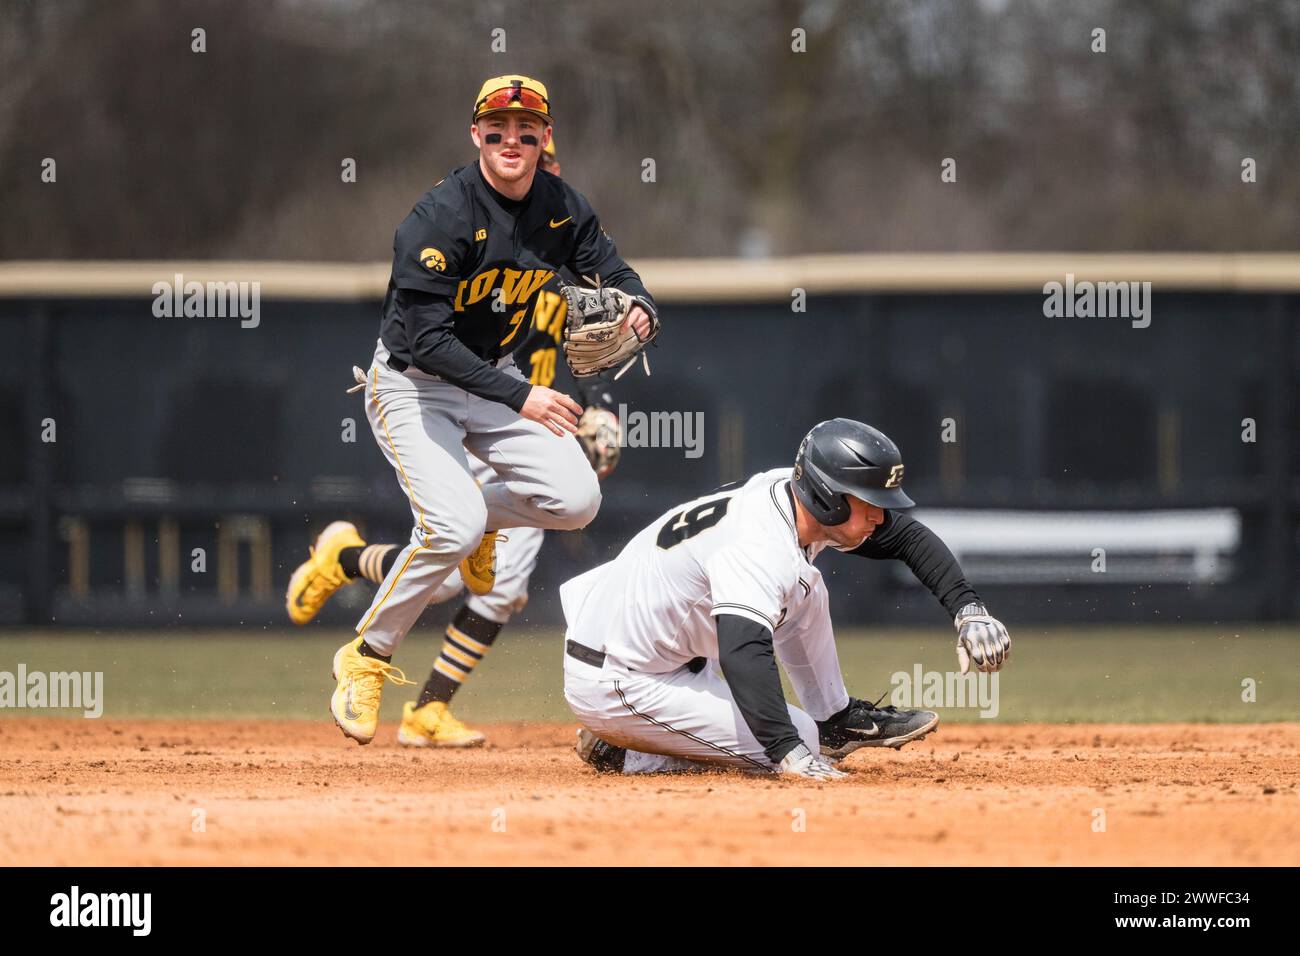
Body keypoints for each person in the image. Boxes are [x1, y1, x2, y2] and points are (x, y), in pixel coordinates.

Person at [305, 74, 657, 746]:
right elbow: (430, 342)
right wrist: (523, 396)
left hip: (493, 377)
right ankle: (367, 656)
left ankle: (482, 528)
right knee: (454, 525)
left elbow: (613, 269)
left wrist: (640, 307)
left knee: (577, 499)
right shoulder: (439, 217)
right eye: (498, 129)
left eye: (528, 130)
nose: (513, 141)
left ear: (545, 136)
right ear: (477, 135)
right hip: (413, 382)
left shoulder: (560, 207)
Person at [561, 418, 1012, 778]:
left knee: (805, 588)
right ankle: (621, 750)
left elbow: (908, 538)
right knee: (796, 735)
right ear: (827, 497)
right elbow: (742, 652)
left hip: (656, 645)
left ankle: (834, 718)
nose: (880, 513)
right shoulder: (760, 544)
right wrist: (789, 751)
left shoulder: (790, 496)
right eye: (869, 500)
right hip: (620, 676)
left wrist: (967, 610)